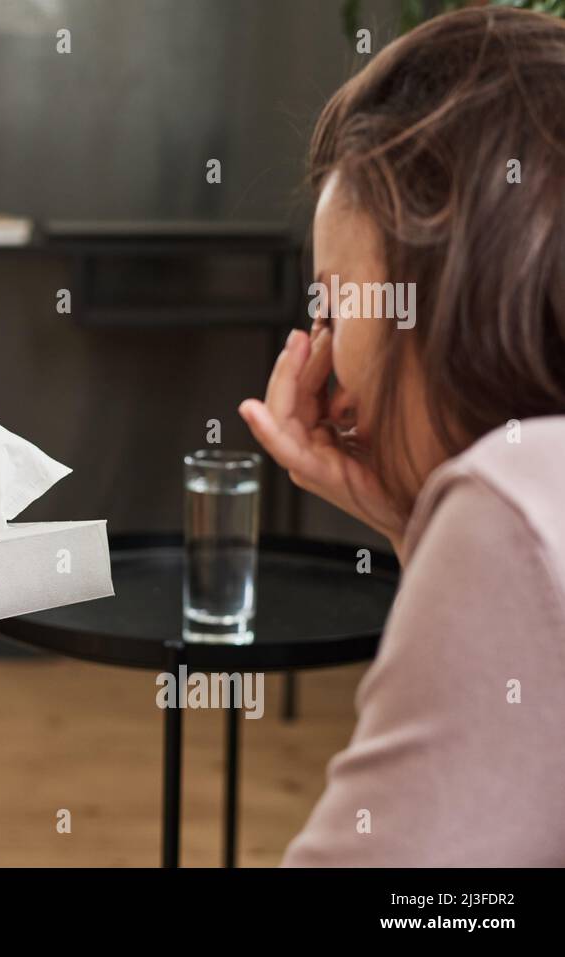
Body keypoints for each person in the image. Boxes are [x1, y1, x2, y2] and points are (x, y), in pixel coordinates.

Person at [240, 6, 565, 865]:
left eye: (335, 303)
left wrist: (470, 521)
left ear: (447, 288)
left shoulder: (515, 508)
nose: (323, 362)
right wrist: (407, 516)